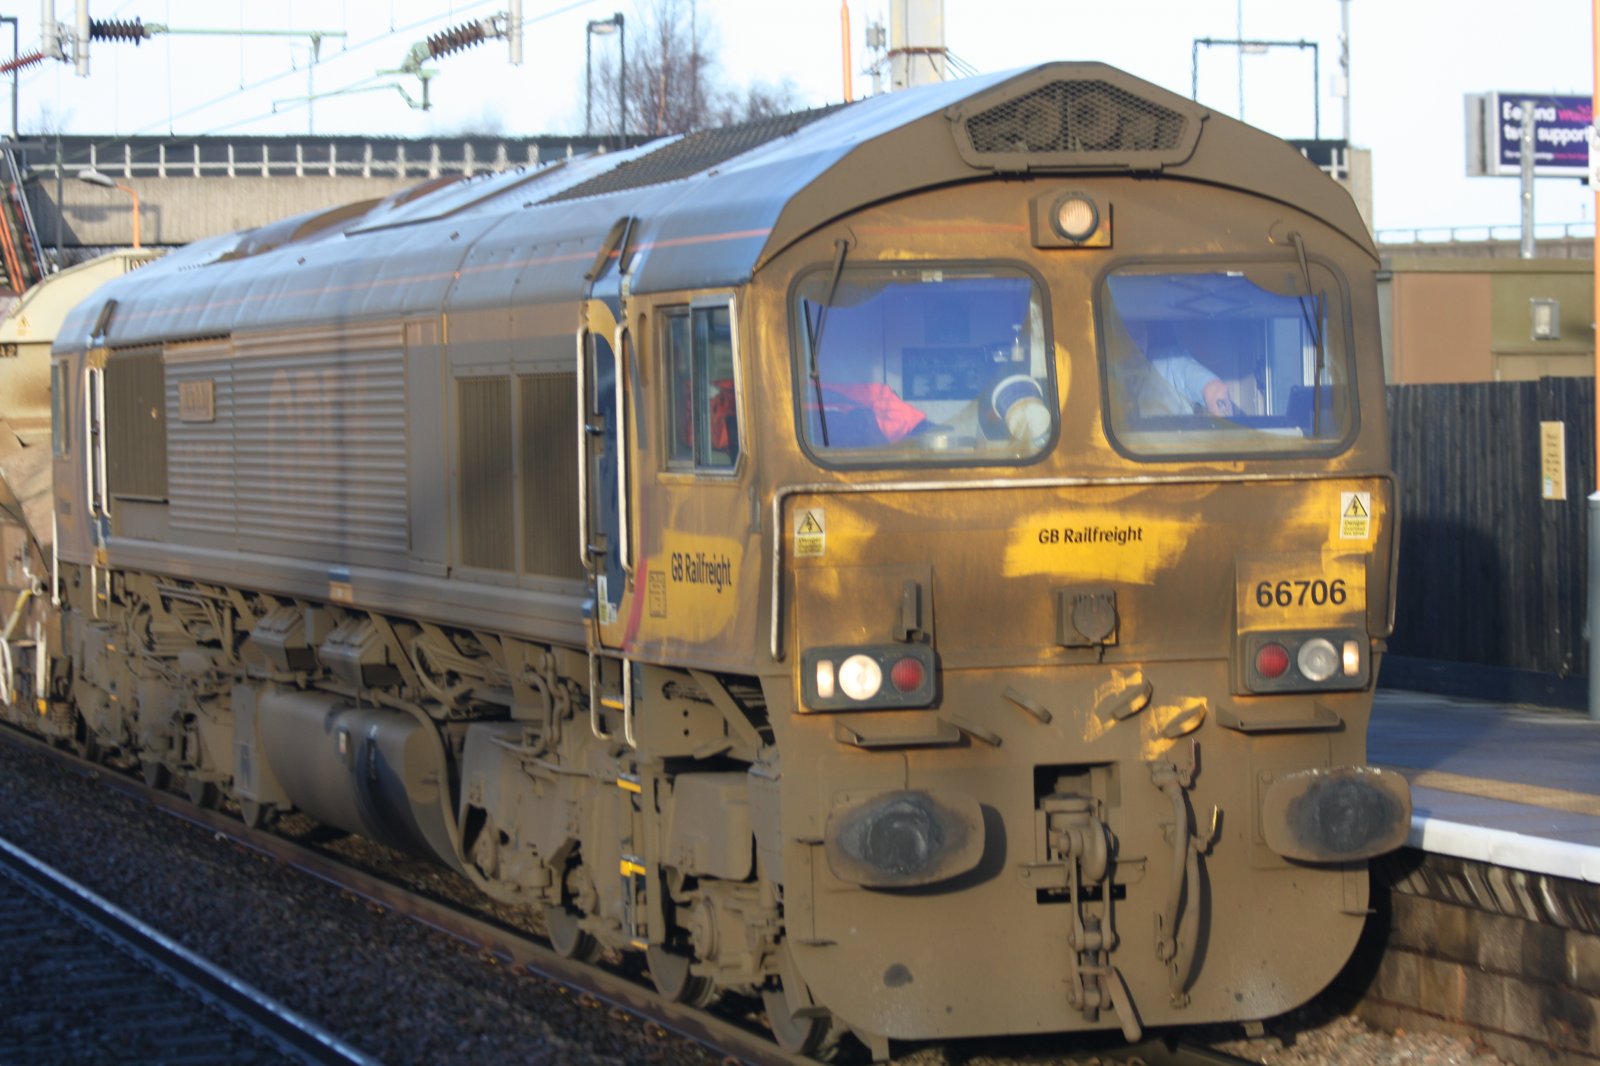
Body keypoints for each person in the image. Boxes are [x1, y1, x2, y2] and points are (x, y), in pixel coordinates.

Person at [1127, 320, 1234, 417]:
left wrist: (1224, 431)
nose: (1133, 340)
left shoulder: (1166, 363)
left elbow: (1216, 390)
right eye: (1125, 333)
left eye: (1139, 330)